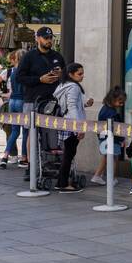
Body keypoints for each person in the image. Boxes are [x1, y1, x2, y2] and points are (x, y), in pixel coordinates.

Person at [16, 28, 68, 182]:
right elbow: (20, 77)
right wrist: (40, 79)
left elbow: (66, 77)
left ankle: (50, 163)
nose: (49, 40)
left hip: (52, 102)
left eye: (50, 37)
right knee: (32, 133)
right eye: (45, 38)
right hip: (33, 100)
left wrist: (61, 75)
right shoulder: (29, 57)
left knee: (51, 134)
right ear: (37, 38)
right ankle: (31, 166)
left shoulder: (57, 56)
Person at [53, 63, 94, 192]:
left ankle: (62, 182)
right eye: (79, 74)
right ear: (71, 74)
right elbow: (72, 106)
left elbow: (71, 105)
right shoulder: (74, 87)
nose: (82, 76)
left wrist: (85, 104)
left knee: (68, 154)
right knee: (69, 155)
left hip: (65, 122)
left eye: (83, 73)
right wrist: (79, 127)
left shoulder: (62, 85)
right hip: (73, 123)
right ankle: (63, 184)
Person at [0, 49, 29, 169]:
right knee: (26, 131)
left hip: (12, 102)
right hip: (22, 101)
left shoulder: (13, 71)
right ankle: (24, 158)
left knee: (14, 131)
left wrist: (2, 94)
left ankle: (5, 156)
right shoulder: (25, 72)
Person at [92, 87, 127, 185]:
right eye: (120, 102)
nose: (122, 104)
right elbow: (116, 129)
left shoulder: (104, 109)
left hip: (103, 137)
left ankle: (98, 175)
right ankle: (111, 178)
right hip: (112, 139)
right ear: (112, 99)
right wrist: (121, 139)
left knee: (106, 157)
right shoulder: (112, 113)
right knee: (114, 158)